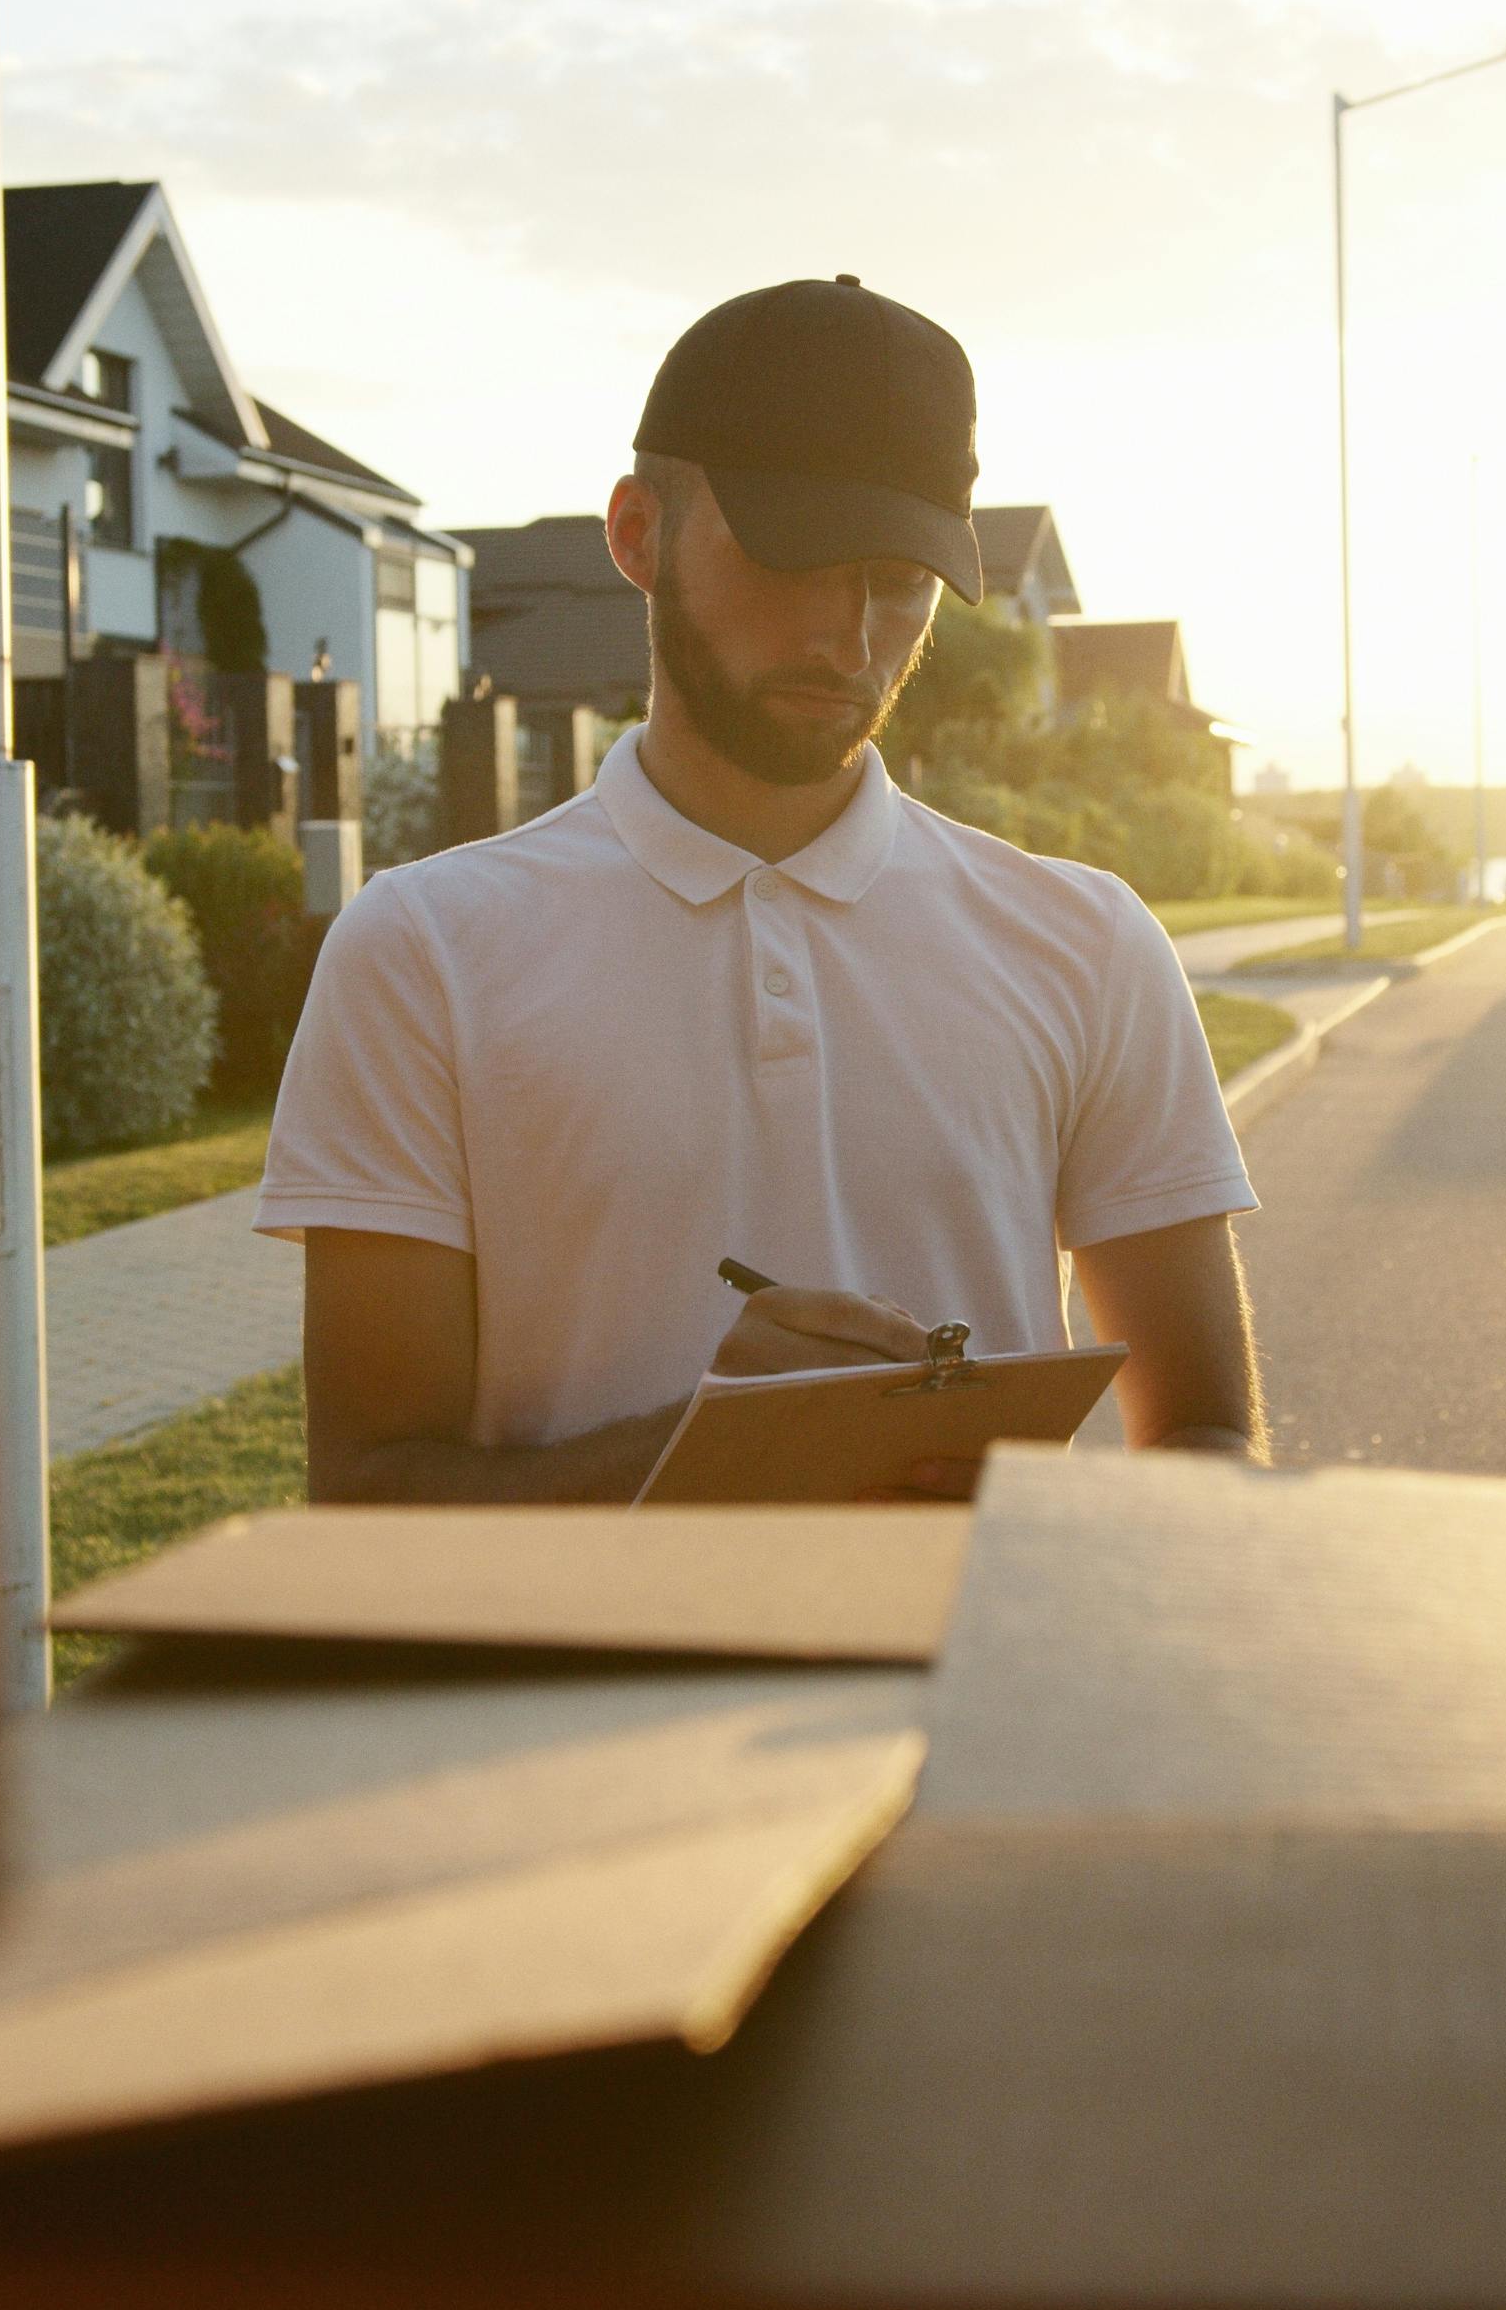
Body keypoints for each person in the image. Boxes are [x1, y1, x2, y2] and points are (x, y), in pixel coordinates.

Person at [259, 272, 1266, 1501]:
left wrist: (1067, 1549)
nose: (848, 635)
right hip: (580, 1700)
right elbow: (368, 1497)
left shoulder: (1088, 944)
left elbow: (1207, 1439)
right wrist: (720, 1462)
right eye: (796, 554)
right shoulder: (423, 954)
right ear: (637, 534)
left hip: (971, 1692)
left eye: (899, 582)